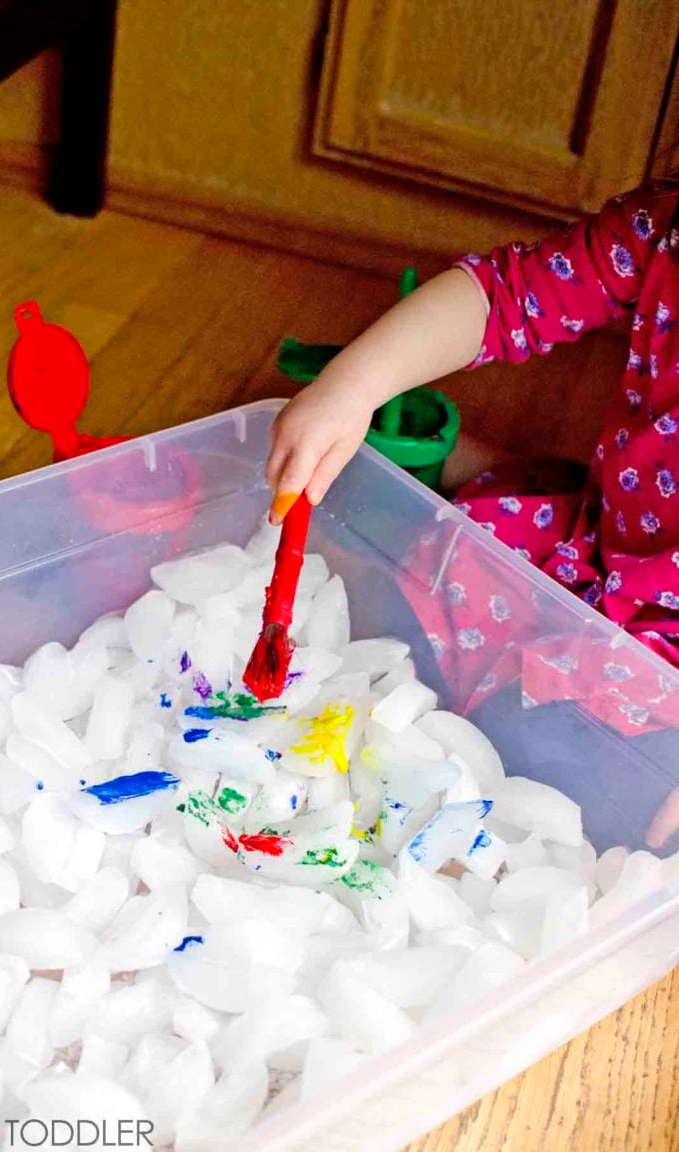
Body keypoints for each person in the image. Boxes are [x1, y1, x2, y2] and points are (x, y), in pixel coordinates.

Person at [265, 179, 679, 853]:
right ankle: (471, 465)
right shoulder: (661, 230)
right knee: (385, 627)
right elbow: (505, 294)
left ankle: (465, 459)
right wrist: (352, 386)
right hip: (601, 550)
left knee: (566, 774)